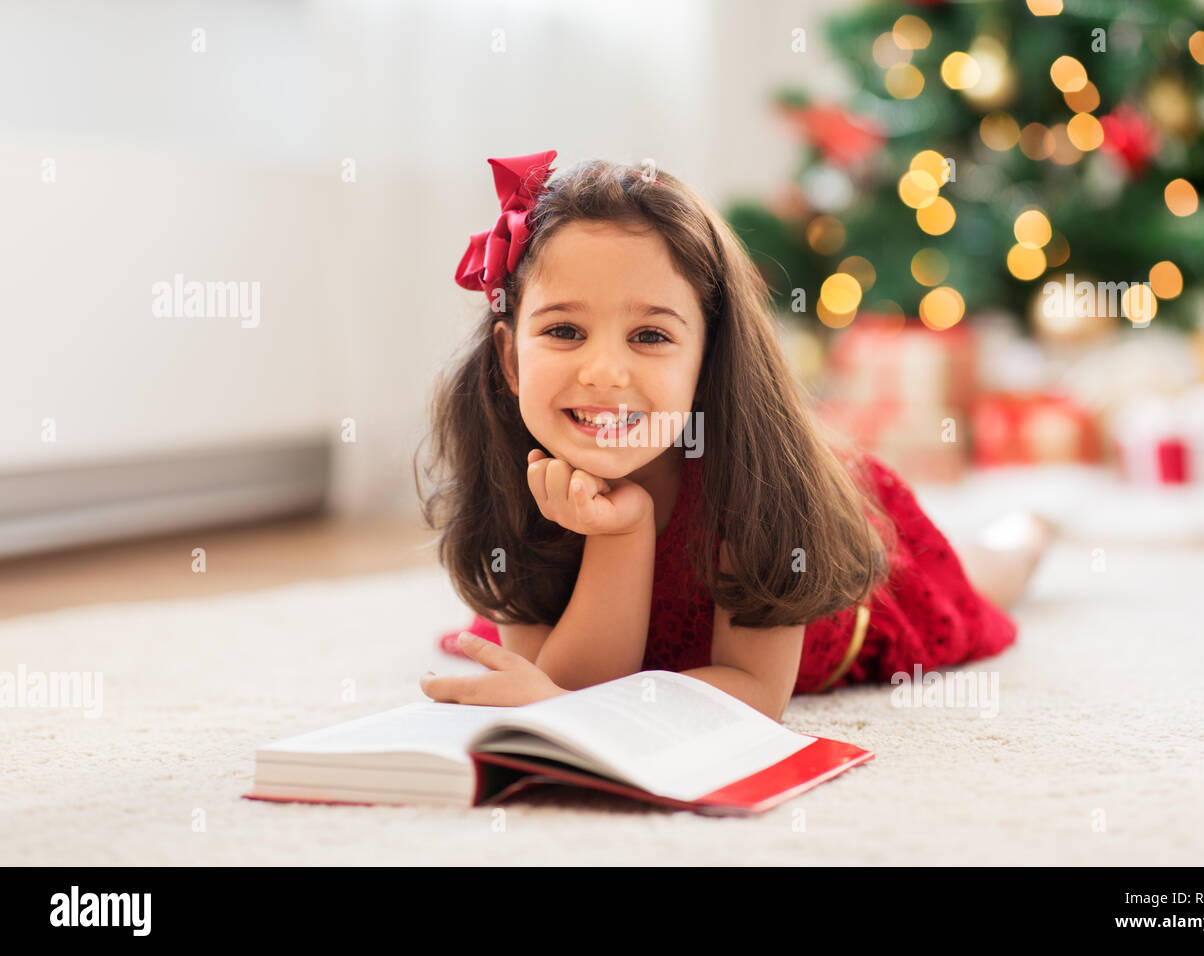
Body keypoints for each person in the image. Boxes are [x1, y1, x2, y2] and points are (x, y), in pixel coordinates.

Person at [414, 150, 1055, 722]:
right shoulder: (508, 475)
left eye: (650, 336)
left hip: (864, 575)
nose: (604, 372)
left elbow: (753, 691)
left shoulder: (760, 490)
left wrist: (571, 704)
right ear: (511, 360)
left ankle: (1027, 532)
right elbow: (563, 687)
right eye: (563, 331)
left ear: (709, 359)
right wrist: (623, 533)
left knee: (982, 575)